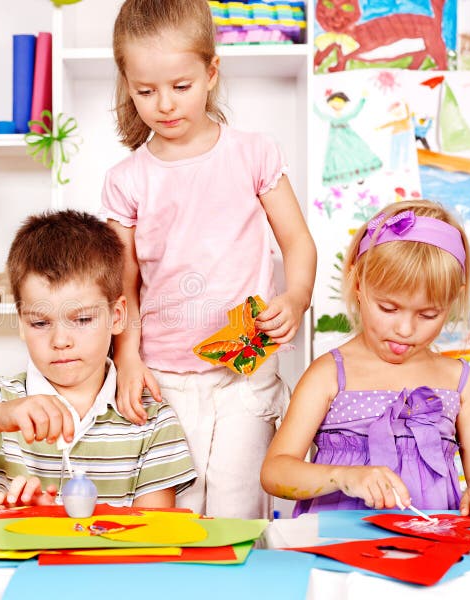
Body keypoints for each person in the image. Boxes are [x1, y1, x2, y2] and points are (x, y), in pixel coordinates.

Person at [103, 0, 317, 519]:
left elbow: (298, 243)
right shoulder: (127, 179)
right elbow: (122, 285)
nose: (165, 105)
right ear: (127, 83)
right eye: (145, 91)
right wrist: (128, 359)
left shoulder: (253, 153)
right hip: (165, 376)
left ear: (211, 72)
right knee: (176, 513)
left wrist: (296, 296)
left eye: (181, 86)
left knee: (238, 510)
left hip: (245, 371)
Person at [0, 210, 196, 510]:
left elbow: (154, 538)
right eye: (40, 323)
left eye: (81, 319)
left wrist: (53, 522)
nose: (60, 341)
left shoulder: (150, 417)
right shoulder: (4, 401)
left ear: (116, 317)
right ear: (21, 324)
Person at [261, 200, 470, 520]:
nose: (405, 329)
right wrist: (345, 477)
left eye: (428, 314)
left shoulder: (457, 379)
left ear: (453, 300)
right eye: (389, 308)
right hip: (336, 547)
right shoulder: (330, 373)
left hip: (431, 550)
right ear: (359, 282)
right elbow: (276, 472)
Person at [314, 91, 383, 187]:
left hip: (349, 139)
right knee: (338, 159)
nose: (337, 105)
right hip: (336, 142)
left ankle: (359, 175)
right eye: (334, 102)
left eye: (340, 103)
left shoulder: (344, 116)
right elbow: (321, 115)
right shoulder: (331, 116)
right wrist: (313, 105)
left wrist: (362, 100)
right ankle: (343, 179)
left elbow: (354, 113)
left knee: (354, 155)